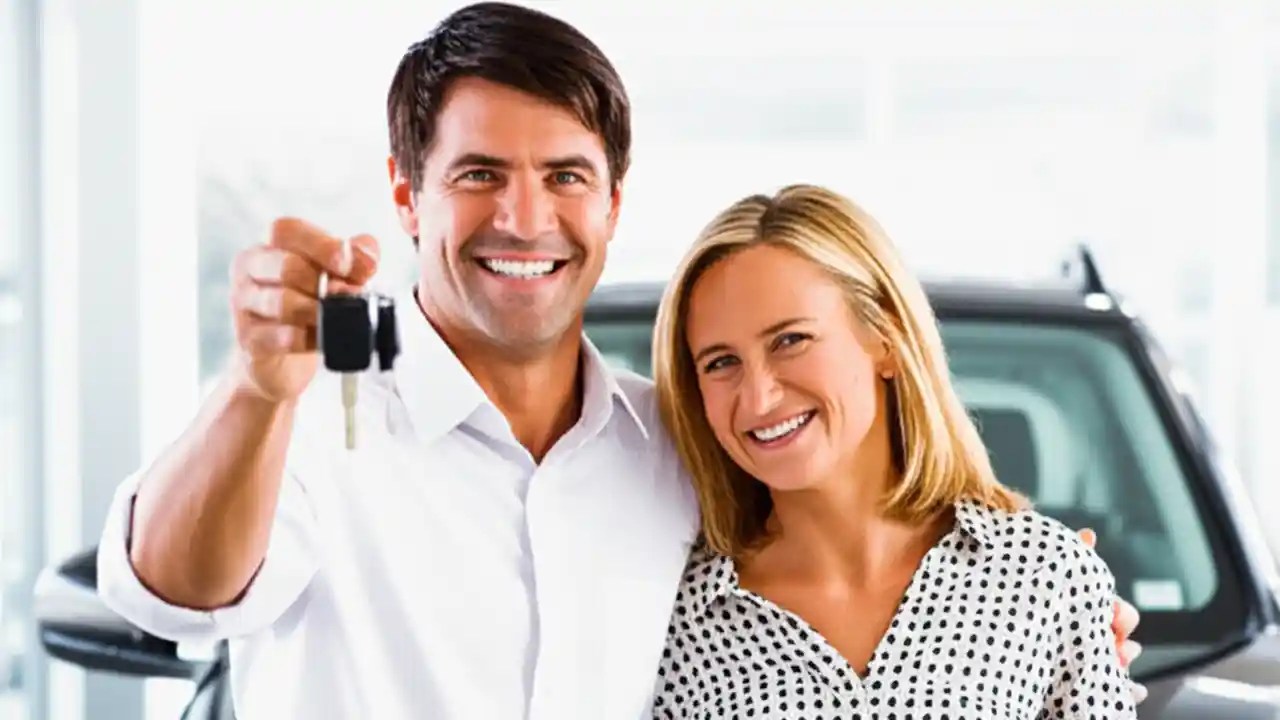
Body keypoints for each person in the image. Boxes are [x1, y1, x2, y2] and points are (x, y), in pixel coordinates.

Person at [95, 3, 1141, 718]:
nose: (522, 216)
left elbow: (849, 513)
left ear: (610, 203)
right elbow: (176, 594)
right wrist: (255, 387)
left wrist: (1037, 609)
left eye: (562, 175)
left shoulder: (678, 448)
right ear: (407, 195)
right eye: (477, 174)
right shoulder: (314, 418)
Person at [649, 184, 1137, 718]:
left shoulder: (1042, 576)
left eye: (790, 340)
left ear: (885, 336)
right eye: (721, 363)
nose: (759, 396)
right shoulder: (671, 622)